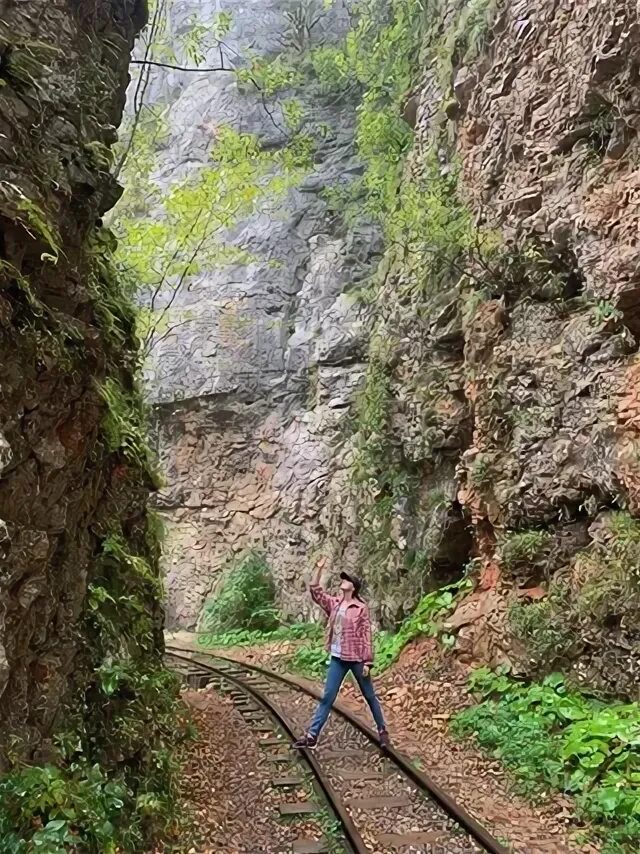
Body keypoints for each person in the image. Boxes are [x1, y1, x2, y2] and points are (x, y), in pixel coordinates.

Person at [293, 561, 390, 749]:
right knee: (328, 696)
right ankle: (312, 736)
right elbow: (316, 591)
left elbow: (365, 636)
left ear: (353, 586)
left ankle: (382, 731)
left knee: (369, 696)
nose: (343, 581)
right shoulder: (335, 603)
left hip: (356, 659)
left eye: (347, 579)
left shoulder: (360, 608)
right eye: (343, 579)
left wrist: (368, 662)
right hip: (338, 658)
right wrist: (318, 568)